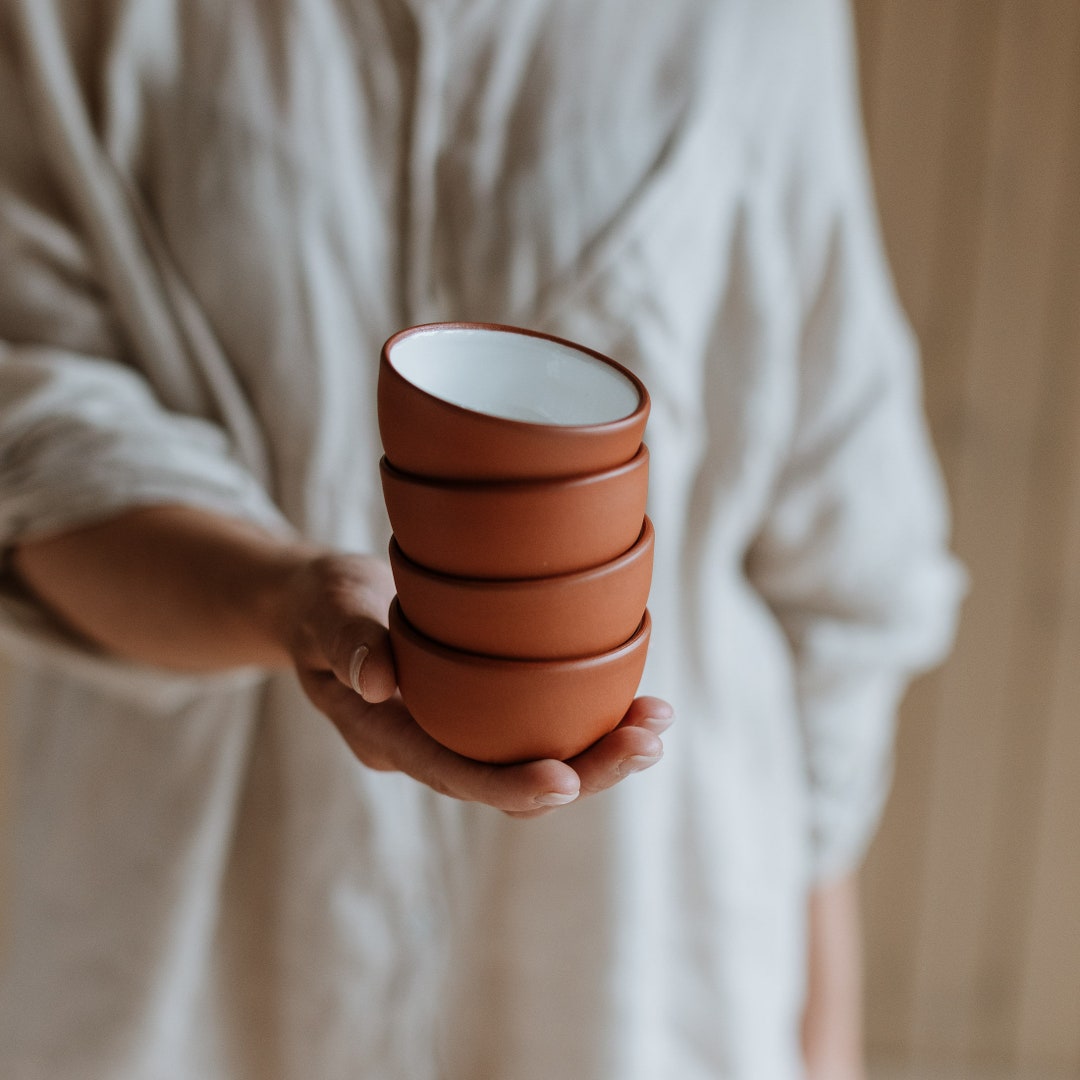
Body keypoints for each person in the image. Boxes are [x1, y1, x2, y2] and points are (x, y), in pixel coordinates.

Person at [0, 0, 964, 1077]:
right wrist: (283, 600)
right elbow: (33, 439)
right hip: (189, 980)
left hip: (636, 977)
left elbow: (842, 553)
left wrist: (820, 1038)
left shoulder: (753, 23)